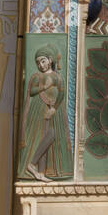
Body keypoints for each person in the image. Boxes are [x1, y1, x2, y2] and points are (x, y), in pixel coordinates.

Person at [18, 44, 72, 181]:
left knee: (51, 136)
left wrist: (54, 108)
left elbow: (61, 93)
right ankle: (36, 169)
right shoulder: (37, 77)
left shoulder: (58, 77)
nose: (41, 65)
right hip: (39, 110)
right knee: (41, 137)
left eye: (43, 61)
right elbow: (31, 92)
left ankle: (36, 168)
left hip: (53, 111)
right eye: (38, 62)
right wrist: (44, 86)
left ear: (50, 60)